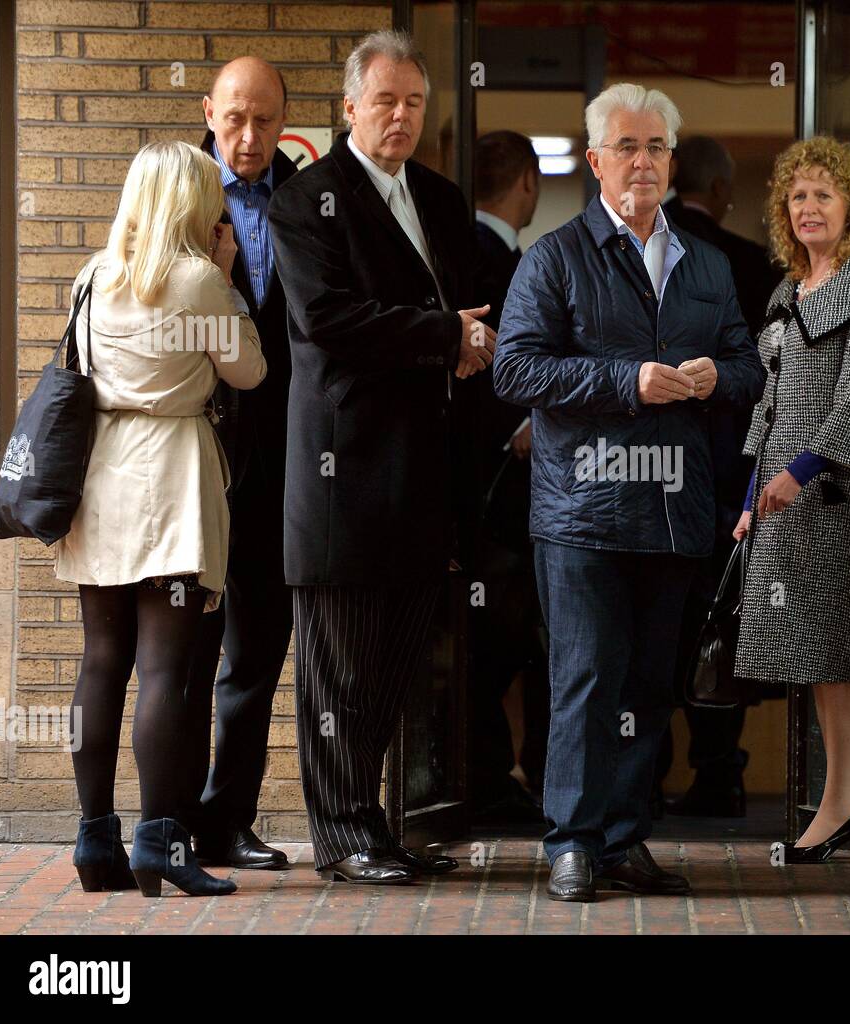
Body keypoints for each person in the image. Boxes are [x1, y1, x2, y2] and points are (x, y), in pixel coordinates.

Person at [493, 82, 765, 902]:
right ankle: (571, 841)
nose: (641, 162)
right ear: (595, 162)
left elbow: (752, 368)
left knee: (650, 686)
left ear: (671, 163)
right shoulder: (554, 257)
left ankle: (623, 838)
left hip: (675, 510)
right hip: (582, 512)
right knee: (583, 679)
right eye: (626, 148)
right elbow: (515, 368)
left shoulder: (707, 263)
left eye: (655, 149)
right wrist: (626, 381)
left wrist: (721, 376)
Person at [267, 30, 493, 885]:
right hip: (343, 476)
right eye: (385, 100)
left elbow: (471, 309)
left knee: (394, 667)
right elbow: (329, 320)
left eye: (414, 104)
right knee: (338, 674)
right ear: (349, 106)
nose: (401, 116)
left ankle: (378, 826)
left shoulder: (439, 197)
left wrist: (468, 340)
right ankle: (342, 836)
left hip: (424, 474)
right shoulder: (307, 201)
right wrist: (447, 336)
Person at [57, 140, 266, 896]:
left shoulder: (91, 276)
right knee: (168, 670)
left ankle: (92, 840)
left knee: (101, 660)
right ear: (190, 202)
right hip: (170, 479)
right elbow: (251, 369)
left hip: (98, 478)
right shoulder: (197, 284)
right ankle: (160, 843)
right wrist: (229, 277)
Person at [733, 136, 850, 862]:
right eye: (798, 195)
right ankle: (846, 803)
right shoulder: (788, 289)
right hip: (784, 498)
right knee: (818, 652)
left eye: (824, 194)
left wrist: (798, 472)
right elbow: (770, 401)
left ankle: (843, 803)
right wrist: (754, 489)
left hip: (839, 493)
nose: (809, 207)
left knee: (844, 646)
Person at [178, 55, 298, 872]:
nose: (248, 137)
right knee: (185, 651)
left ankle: (229, 820)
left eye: (263, 120)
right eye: (234, 119)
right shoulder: (175, 197)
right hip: (191, 461)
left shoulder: (309, 199)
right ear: (210, 113)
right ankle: (173, 818)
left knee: (257, 647)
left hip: (284, 458)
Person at [656, 135, 782, 818]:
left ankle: (644, 774)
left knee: (652, 625)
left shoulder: (645, 250)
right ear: (723, 189)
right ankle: (717, 772)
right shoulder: (746, 263)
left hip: (646, 473)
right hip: (726, 466)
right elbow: (767, 374)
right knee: (716, 618)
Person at [462, 130, 547, 824]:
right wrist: (517, 427)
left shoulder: (479, 252)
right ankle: (490, 781)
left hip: (487, 491)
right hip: (496, 490)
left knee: (501, 638)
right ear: (526, 181)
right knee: (497, 641)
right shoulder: (501, 262)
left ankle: (498, 776)